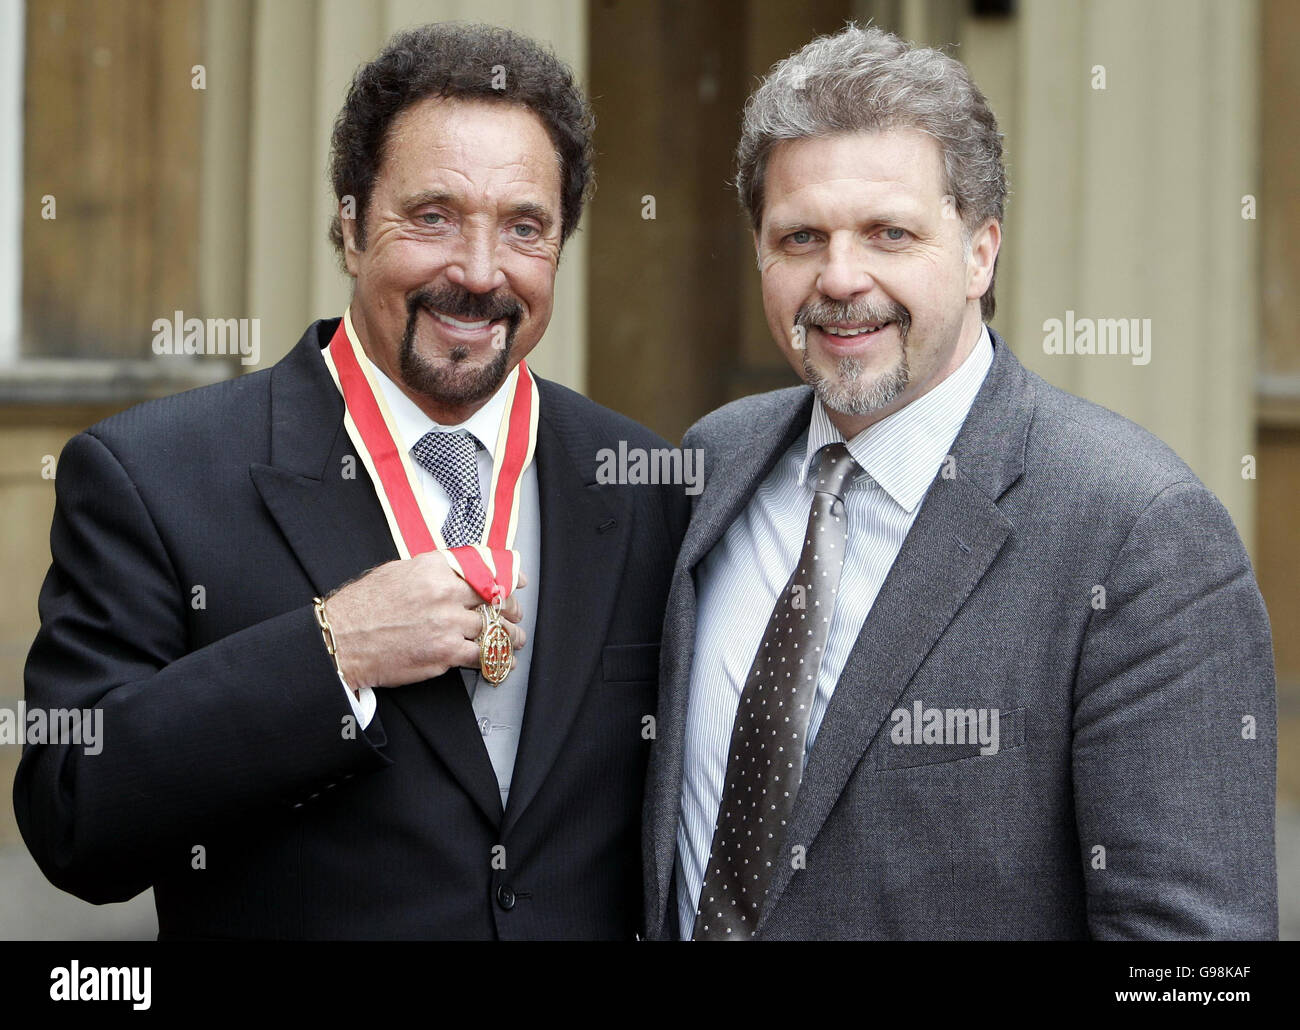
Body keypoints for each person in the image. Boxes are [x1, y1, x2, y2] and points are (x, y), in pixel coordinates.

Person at [16, 22, 687, 940]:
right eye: (434, 216)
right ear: (349, 225)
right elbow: (72, 818)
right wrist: (330, 654)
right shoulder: (152, 476)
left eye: (524, 228)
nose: (480, 272)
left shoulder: (647, 483)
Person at [643, 23, 1277, 940]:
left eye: (890, 233)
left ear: (980, 251)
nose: (841, 278)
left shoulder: (1139, 535)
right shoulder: (711, 466)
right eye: (800, 237)